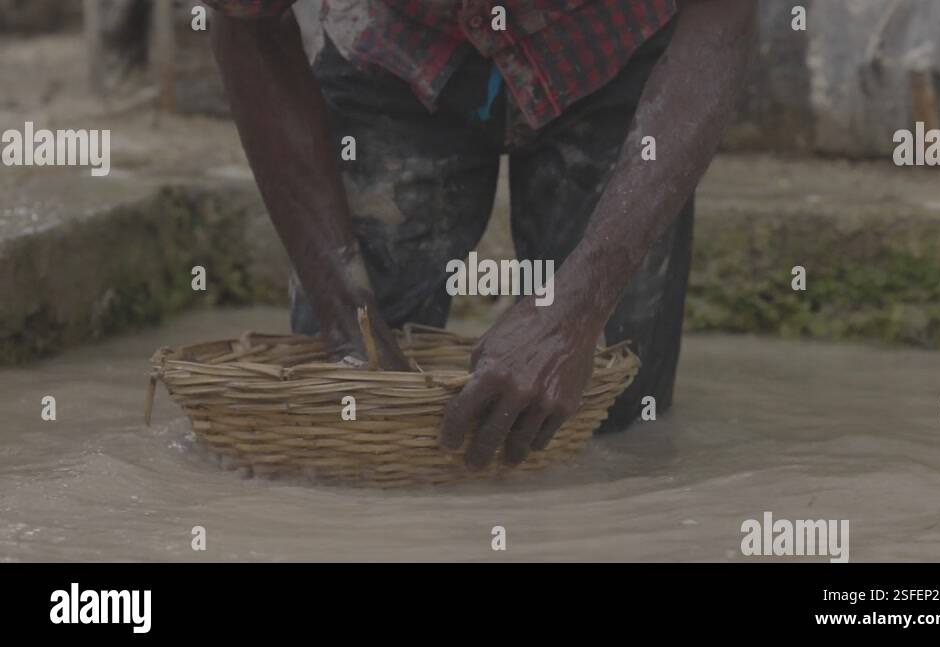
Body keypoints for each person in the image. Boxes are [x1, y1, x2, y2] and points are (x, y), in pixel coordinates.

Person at [206, 0, 757, 468]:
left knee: (615, 418)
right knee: (349, 413)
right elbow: (245, 20)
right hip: (395, 46)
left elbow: (723, 17)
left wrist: (576, 313)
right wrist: (349, 323)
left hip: (609, 39)